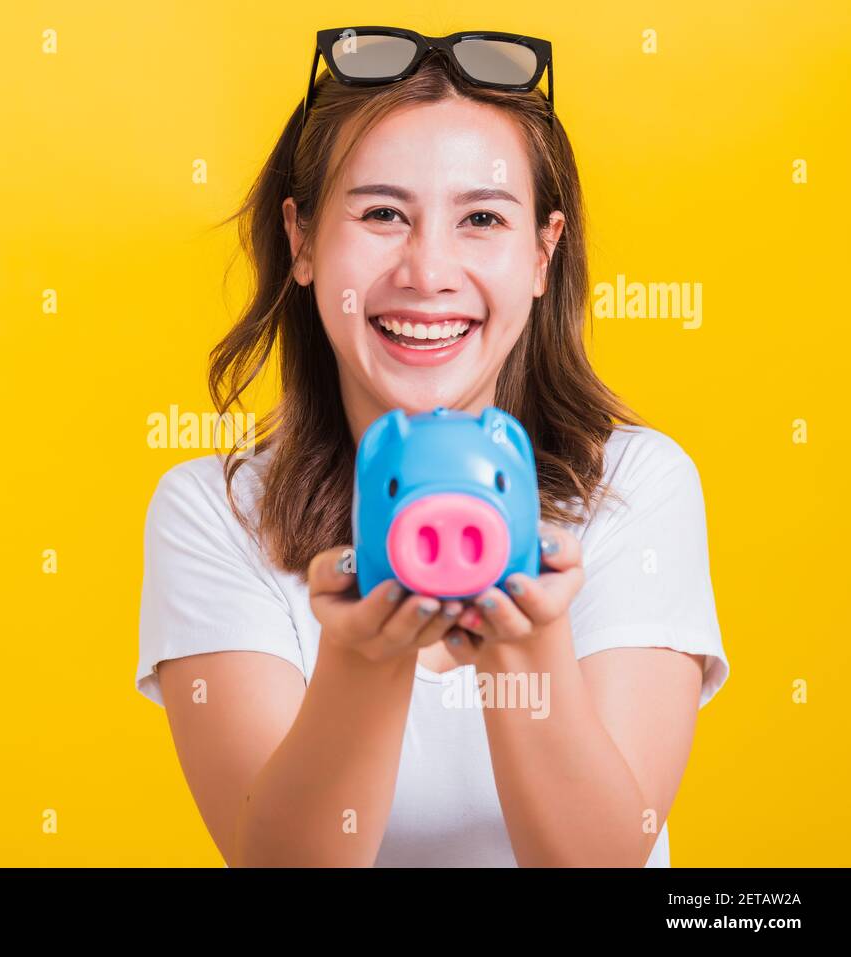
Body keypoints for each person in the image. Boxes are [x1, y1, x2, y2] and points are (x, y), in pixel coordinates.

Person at [135, 29, 729, 867]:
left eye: (482, 218)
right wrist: (362, 656)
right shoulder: (213, 514)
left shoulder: (635, 487)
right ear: (301, 241)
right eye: (382, 213)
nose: (429, 271)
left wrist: (526, 643)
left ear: (541, 254)